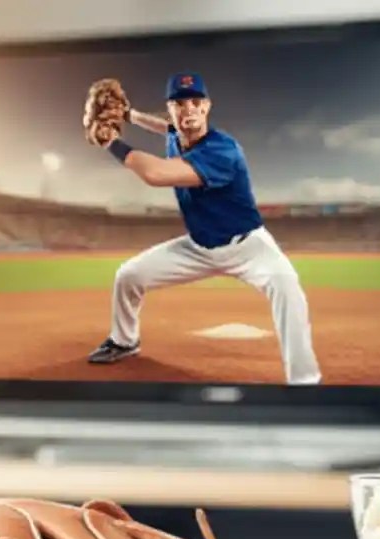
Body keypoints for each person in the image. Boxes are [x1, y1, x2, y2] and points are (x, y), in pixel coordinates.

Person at [87, 72, 321, 385]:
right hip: (198, 247)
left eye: (196, 102)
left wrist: (111, 142)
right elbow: (166, 128)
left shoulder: (223, 151)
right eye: (180, 104)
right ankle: (124, 341)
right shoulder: (176, 133)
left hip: (248, 248)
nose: (189, 110)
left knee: (288, 290)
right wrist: (129, 115)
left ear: (207, 107)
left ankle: (304, 381)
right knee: (129, 276)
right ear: (170, 108)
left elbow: (156, 173)